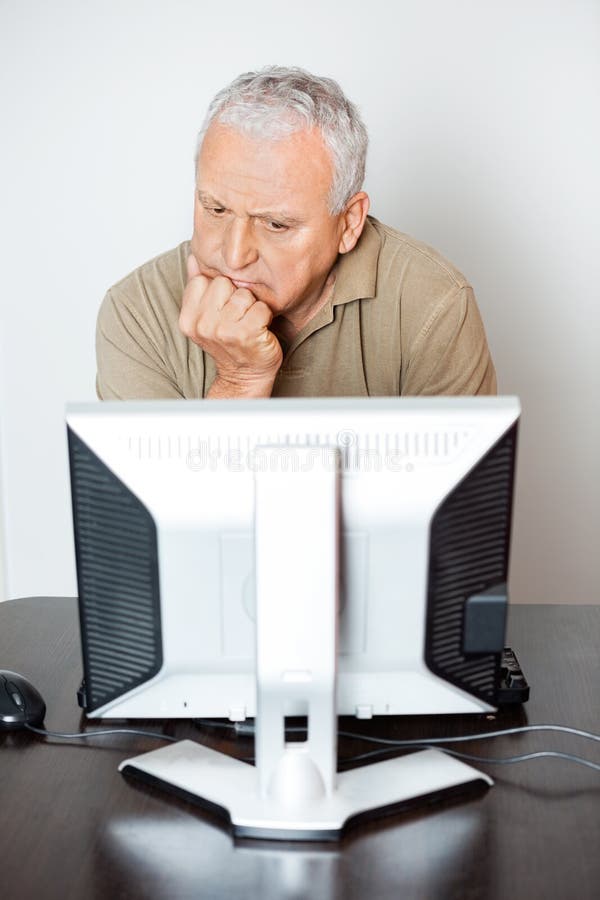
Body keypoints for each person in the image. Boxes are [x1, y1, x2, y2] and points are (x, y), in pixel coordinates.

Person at [96, 66, 496, 400]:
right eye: (215, 209)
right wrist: (240, 381)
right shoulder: (137, 310)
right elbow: (161, 497)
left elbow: (462, 495)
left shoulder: (433, 303)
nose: (234, 256)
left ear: (349, 222)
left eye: (275, 224)